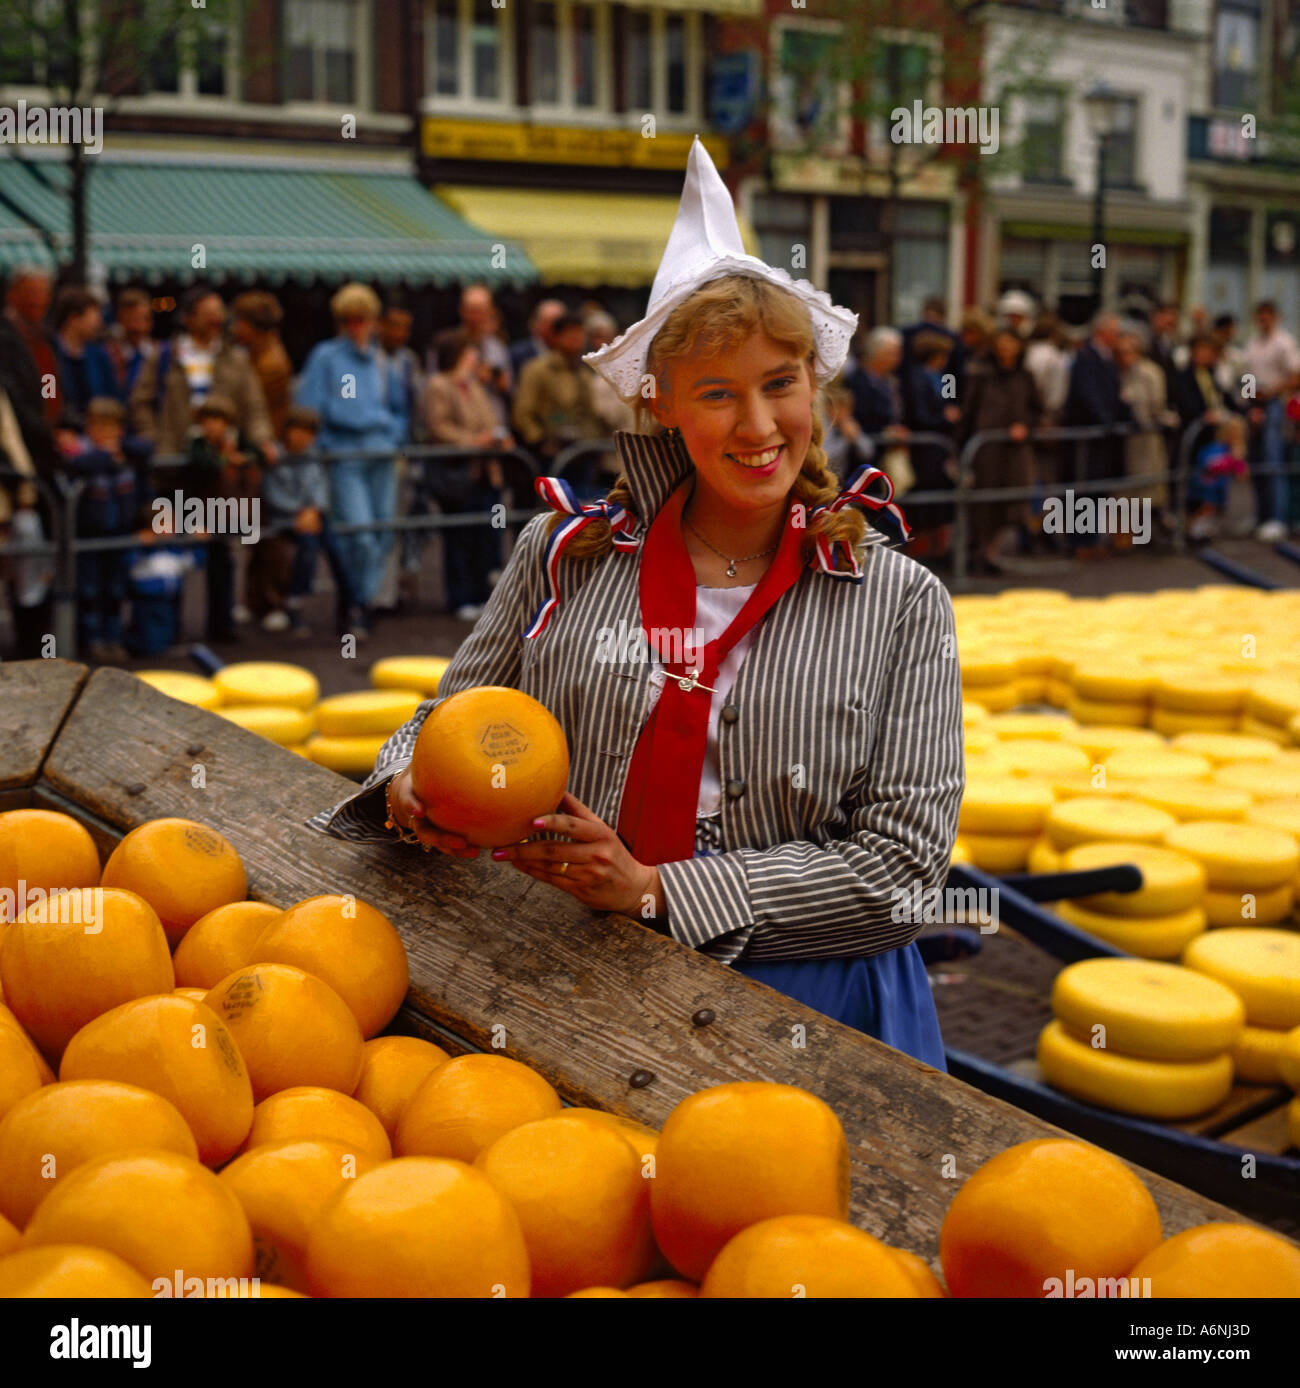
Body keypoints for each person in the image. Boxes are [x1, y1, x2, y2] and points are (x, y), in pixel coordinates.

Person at [307, 137, 961, 1069]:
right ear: (664, 407)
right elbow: (438, 721)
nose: (758, 426)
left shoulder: (899, 602)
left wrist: (657, 890)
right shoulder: (563, 554)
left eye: (780, 385)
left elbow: (901, 870)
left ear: (813, 383)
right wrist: (415, 786)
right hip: (560, 967)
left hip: (799, 1008)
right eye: (717, 394)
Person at [294, 282, 409, 635]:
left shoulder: (382, 360)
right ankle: (358, 601)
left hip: (382, 455)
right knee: (357, 533)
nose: (356, 325)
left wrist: (391, 434)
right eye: (349, 319)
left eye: (362, 318)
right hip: (345, 455)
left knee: (382, 534)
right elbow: (311, 408)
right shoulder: (326, 357)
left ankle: (362, 602)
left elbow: (399, 407)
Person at [424, 328, 513, 621]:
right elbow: (438, 428)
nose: (477, 357)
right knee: (458, 538)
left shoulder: (474, 385)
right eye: (471, 351)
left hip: (485, 473)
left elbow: (490, 419)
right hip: (458, 474)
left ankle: (479, 595)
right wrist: (475, 440)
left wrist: (498, 437)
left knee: (485, 536)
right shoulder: (439, 385)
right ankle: (459, 597)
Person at [129, 287, 275, 465]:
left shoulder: (236, 359)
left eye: (218, 312)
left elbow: (254, 408)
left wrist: (262, 440)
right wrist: (152, 437)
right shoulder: (163, 356)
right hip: (173, 455)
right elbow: (140, 401)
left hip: (224, 455)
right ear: (188, 318)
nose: (215, 319)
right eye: (207, 313)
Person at [253, 406, 356, 637]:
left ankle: (349, 606)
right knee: (307, 546)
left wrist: (313, 510)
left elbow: (319, 488)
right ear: (287, 431)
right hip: (284, 520)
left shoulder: (314, 457)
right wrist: (301, 513)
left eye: (308, 433)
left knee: (337, 550)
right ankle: (295, 600)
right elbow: (272, 494)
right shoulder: (274, 457)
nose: (302, 437)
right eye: (297, 431)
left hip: (312, 517)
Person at [957, 324, 1043, 572]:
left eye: (1011, 342)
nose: (1006, 347)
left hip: (1015, 452)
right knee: (983, 505)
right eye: (1002, 341)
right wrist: (960, 445)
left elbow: (1038, 410)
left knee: (1011, 505)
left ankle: (991, 552)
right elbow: (967, 409)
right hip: (986, 450)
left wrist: (1026, 426)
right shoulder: (980, 373)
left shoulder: (1025, 376)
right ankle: (977, 553)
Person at [62, 397, 137, 662]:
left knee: (116, 591)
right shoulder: (81, 455)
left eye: (111, 427)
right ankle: (91, 640)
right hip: (90, 536)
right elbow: (79, 466)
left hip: (119, 534)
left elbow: (147, 448)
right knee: (90, 591)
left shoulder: (129, 455)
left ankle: (113, 637)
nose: (106, 434)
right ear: (89, 428)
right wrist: (109, 455)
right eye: (99, 427)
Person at [180, 394, 259, 642]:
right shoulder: (197, 444)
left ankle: (223, 626)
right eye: (208, 420)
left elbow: (260, 454)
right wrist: (227, 458)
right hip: (199, 511)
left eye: (218, 420)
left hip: (227, 515)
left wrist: (244, 458)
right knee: (190, 569)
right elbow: (202, 464)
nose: (212, 425)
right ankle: (180, 629)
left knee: (225, 569)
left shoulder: (238, 441)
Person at [511, 312, 605, 464]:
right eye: (571, 335)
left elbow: (592, 414)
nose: (577, 341)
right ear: (557, 337)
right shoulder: (537, 370)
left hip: (582, 452)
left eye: (580, 335)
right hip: (548, 454)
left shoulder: (584, 374)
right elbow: (523, 413)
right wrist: (540, 441)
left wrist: (594, 440)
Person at [1241, 300, 1300, 541]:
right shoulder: (1252, 344)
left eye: (1268, 316)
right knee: (1256, 460)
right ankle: (1261, 514)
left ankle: (1277, 517)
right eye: (1260, 316)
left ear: (1275, 317)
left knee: (1273, 458)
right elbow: (1245, 376)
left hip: (1275, 403)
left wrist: (1272, 392)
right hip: (1255, 402)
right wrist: (1250, 399)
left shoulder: (1284, 342)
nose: (1264, 320)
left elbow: (1296, 376)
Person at [1114, 328, 1174, 536]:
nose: (1125, 357)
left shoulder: (1150, 372)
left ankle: (1153, 530)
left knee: (1150, 489)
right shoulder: (1119, 373)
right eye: (1121, 353)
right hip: (1128, 441)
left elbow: (1156, 404)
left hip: (1147, 439)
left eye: (1129, 352)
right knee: (1129, 490)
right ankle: (1134, 533)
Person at [124, 501, 202, 657]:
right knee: (147, 629)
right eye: (167, 523)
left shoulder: (174, 548)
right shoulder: (143, 548)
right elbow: (128, 564)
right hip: (148, 596)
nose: (173, 527)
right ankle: (144, 649)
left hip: (170, 593)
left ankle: (163, 647)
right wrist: (138, 544)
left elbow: (192, 562)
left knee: (168, 625)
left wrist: (198, 544)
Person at [3, 268, 62, 432]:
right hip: (21, 435)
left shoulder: (43, 338)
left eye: (43, 293)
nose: (37, 300)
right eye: (30, 292)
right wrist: (44, 432)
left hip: (49, 431)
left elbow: (48, 383)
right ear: (12, 295)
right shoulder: (5, 337)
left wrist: (62, 424)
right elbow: (13, 398)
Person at [230, 292, 293, 440]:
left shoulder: (271, 364)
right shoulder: (254, 353)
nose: (234, 328)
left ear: (254, 325)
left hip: (264, 440)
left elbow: (245, 405)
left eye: (239, 321)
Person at [50, 288, 118, 426]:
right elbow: (47, 396)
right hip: (63, 431)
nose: (99, 323)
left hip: (100, 430)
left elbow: (112, 397)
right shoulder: (49, 353)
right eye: (94, 316)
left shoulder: (99, 355)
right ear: (73, 318)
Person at [1, 480, 53, 659]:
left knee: (39, 622)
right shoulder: (18, 519)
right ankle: (26, 653)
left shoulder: (40, 518)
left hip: (36, 575)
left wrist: (47, 571)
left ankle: (44, 654)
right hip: (22, 575)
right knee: (24, 619)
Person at [1189, 415, 1250, 542]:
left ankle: (1206, 532)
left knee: (1217, 510)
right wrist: (1229, 461)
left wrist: (1237, 461)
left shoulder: (1234, 451)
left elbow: (1242, 475)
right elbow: (1209, 464)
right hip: (1207, 485)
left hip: (1221, 487)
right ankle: (1196, 532)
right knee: (1207, 508)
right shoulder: (1214, 448)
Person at [104, 288, 156, 401]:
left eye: (145, 319)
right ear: (121, 318)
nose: (140, 326)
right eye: (134, 319)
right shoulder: (109, 353)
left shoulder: (157, 353)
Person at [509, 298, 566, 380]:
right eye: (551, 324)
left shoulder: (571, 355)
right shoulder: (518, 355)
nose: (556, 330)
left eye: (561, 325)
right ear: (536, 324)